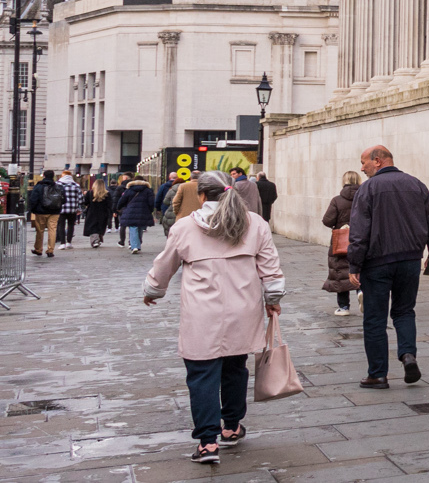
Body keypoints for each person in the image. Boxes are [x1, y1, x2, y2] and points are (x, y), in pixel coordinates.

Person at [143, 169, 285, 466]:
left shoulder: (185, 227)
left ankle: (208, 443)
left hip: (202, 313)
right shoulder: (255, 224)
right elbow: (271, 268)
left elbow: (165, 265)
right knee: (235, 368)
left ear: (202, 195)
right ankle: (231, 426)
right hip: (243, 309)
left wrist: (153, 291)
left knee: (202, 374)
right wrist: (272, 299)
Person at [345, 145, 429, 388]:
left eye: (364, 162)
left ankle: (378, 374)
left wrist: (354, 264)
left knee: (375, 318)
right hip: (410, 261)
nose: (362, 168)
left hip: (377, 263)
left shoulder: (368, 188)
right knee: (404, 311)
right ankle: (408, 355)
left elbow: (359, 232)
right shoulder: (416, 185)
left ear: (377, 161)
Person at [322, 170, 360, 314]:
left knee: (340, 271)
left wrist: (341, 225)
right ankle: (361, 291)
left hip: (341, 241)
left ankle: (344, 307)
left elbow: (327, 220)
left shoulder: (337, 200)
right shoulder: (364, 197)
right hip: (360, 239)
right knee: (361, 267)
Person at [27, 170, 63, 257]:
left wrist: (33, 209)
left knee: (40, 230)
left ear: (44, 176)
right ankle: (50, 250)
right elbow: (63, 199)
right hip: (55, 212)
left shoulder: (39, 186)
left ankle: (38, 249)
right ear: (53, 176)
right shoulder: (58, 187)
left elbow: (33, 199)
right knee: (52, 230)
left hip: (41, 211)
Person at [116, 174, 155, 253]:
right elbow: (151, 202)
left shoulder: (129, 190)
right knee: (140, 228)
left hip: (131, 211)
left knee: (133, 228)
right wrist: (150, 210)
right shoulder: (148, 191)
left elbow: (122, 200)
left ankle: (134, 246)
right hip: (143, 211)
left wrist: (118, 208)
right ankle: (138, 244)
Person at [82, 176, 113, 247]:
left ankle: (95, 241)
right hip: (103, 213)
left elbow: (85, 203)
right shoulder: (107, 194)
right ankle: (97, 239)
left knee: (93, 227)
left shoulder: (90, 193)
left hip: (92, 213)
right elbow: (109, 204)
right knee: (100, 226)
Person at [57, 169, 82, 249]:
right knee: (71, 225)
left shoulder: (58, 184)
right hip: (72, 209)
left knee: (61, 225)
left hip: (61, 209)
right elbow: (81, 199)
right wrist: (78, 207)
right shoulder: (76, 185)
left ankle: (62, 243)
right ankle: (69, 242)